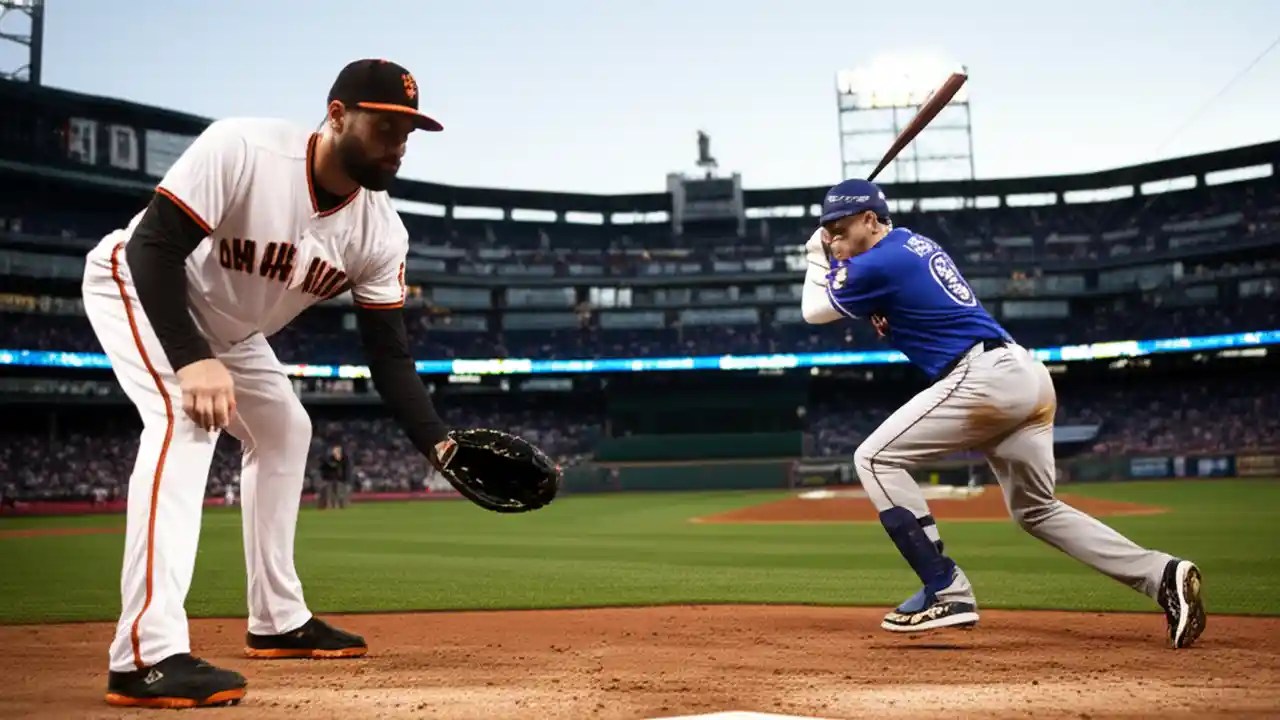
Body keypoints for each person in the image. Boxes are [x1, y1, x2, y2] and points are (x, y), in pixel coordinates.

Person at [82, 58, 463, 709]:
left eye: (409, 132)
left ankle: (278, 621)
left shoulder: (380, 231)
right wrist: (190, 358)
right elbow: (154, 245)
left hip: (230, 329)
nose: (399, 145)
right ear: (337, 115)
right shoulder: (246, 148)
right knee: (184, 421)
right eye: (387, 127)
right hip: (144, 287)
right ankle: (144, 655)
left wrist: (440, 445)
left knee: (287, 429)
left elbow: (389, 355)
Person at [800, 179, 1205, 648]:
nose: (834, 239)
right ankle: (1164, 574)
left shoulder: (882, 258)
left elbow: (814, 310)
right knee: (1037, 510)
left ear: (871, 220)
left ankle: (944, 587)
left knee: (873, 458)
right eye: (828, 232)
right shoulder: (907, 245)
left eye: (840, 229)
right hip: (1023, 375)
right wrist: (835, 244)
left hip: (983, 376)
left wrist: (814, 253)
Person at [318, 443, 353, 509]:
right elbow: (324, 468)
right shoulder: (329, 459)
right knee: (329, 493)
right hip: (330, 479)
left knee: (340, 493)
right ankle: (329, 505)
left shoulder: (344, 459)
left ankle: (340, 505)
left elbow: (346, 469)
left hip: (340, 479)